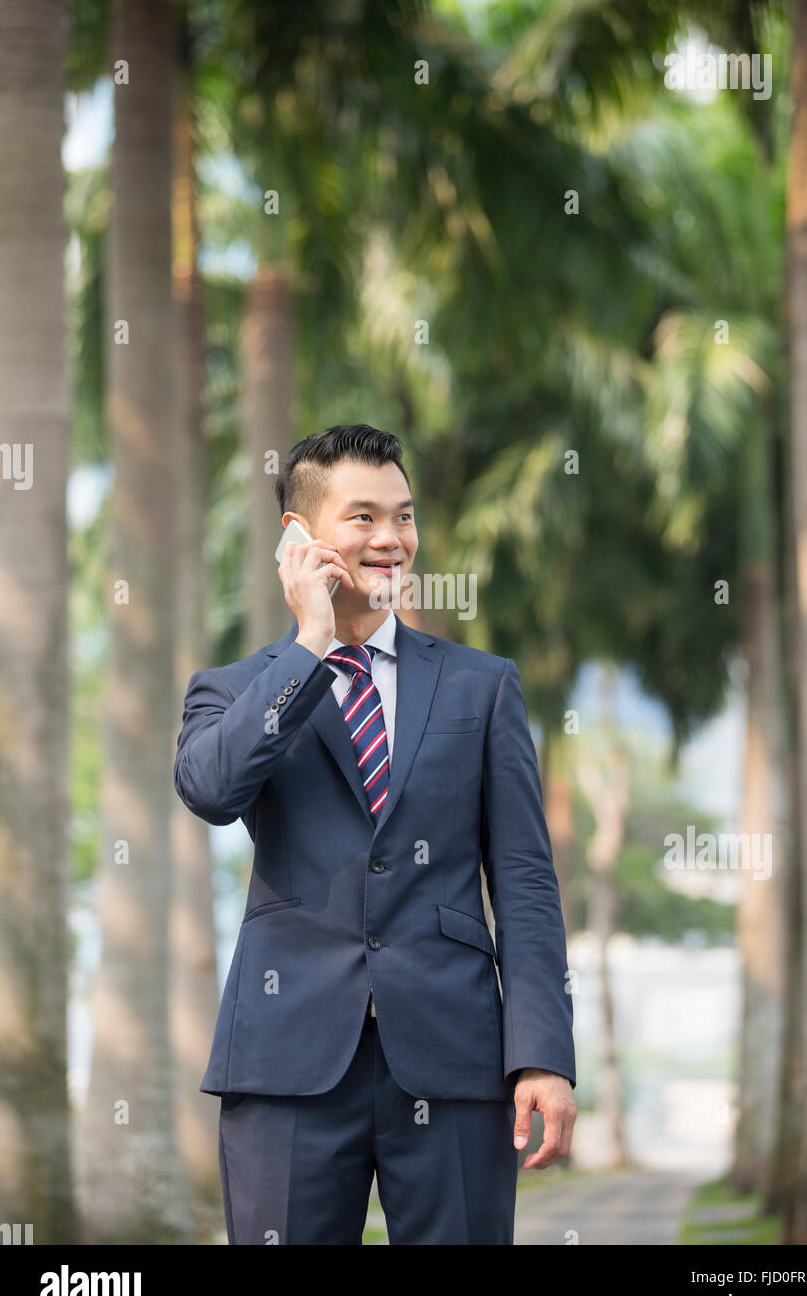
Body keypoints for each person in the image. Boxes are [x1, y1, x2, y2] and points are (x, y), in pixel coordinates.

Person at [174, 423, 577, 1245]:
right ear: (300, 536)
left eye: (405, 516)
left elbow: (525, 881)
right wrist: (309, 647)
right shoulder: (238, 689)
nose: (392, 539)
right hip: (287, 1064)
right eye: (363, 518)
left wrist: (542, 1053)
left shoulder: (483, 686)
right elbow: (211, 790)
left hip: (454, 1057)